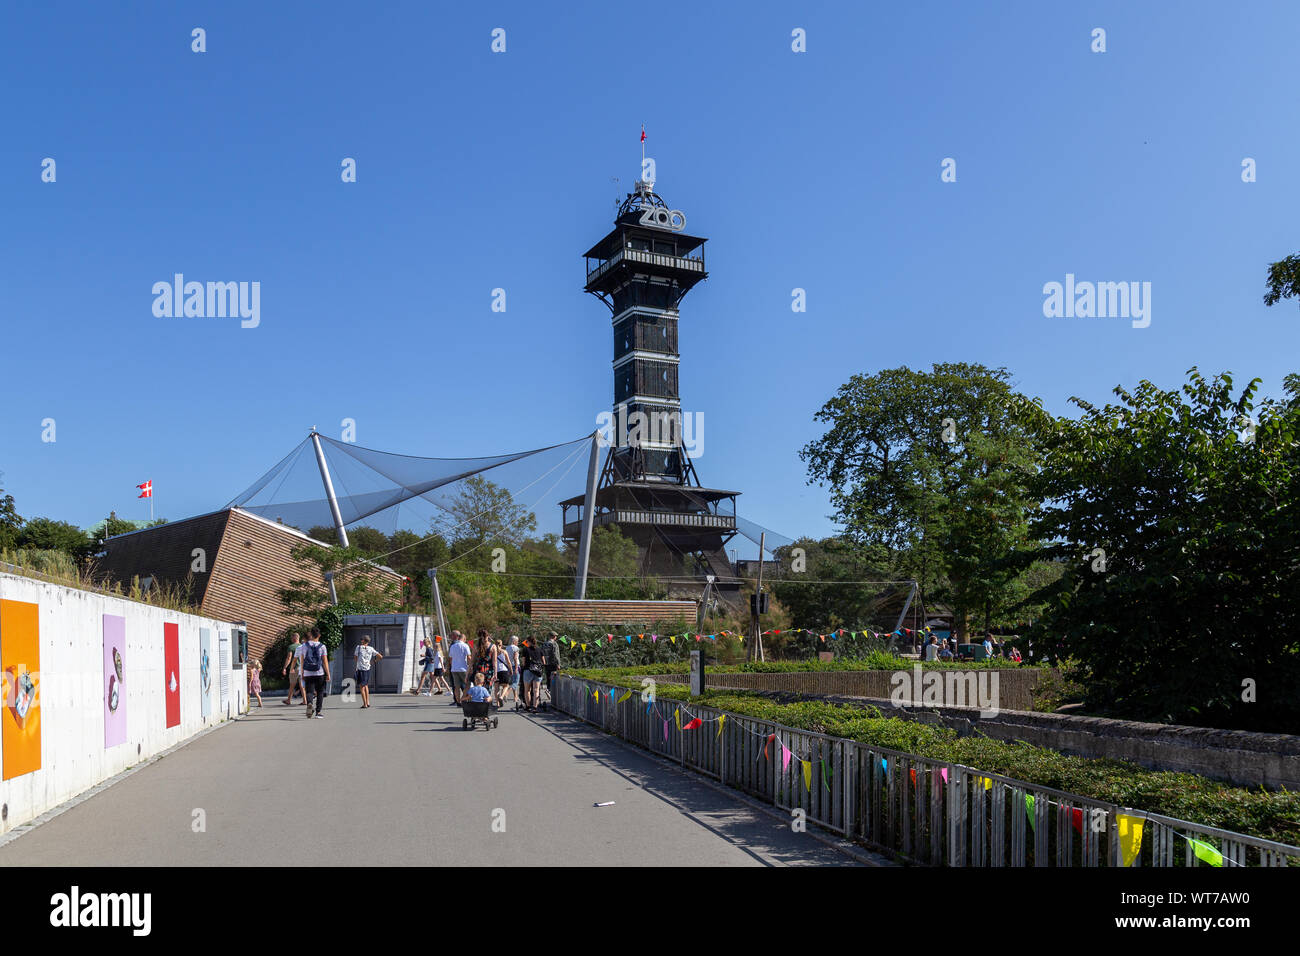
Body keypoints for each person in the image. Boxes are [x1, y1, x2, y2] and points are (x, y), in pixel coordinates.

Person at [301, 627, 331, 718]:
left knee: (309, 691)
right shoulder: (322, 646)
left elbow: (302, 659)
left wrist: (302, 672)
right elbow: (325, 661)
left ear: (311, 635)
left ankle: (309, 703)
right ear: (319, 635)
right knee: (320, 692)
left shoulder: (304, 645)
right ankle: (318, 712)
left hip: (308, 672)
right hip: (319, 673)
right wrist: (328, 674)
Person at [354, 634, 383, 709]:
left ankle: (365, 704)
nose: (361, 640)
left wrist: (357, 665)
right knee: (366, 685)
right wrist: (373, 661)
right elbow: (380, 656)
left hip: (361, 669)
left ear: (364, 640)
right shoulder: (371, 648)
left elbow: (355, 657)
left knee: (361, 687)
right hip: (367, 668)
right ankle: (368, 702)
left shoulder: (358, 647)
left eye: (362, 639)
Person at [518, 638, 543, 712]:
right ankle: (535, 707)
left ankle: (528, 706)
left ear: (529, 642)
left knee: (527, 690)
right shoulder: (540, 649)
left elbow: (523, 662)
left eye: (527, 641)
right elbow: (543, 661)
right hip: (538, 671)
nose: (526, 643)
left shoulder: (525, 649)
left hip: (528, 670)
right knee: (536, 690)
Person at [281, 631, 306, 705]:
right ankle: (305, 700)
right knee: (302, 685)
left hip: (294, 668)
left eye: (292, 637)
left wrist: (284, 667)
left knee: (292, 684)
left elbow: (289, 658)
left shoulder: (291, 647)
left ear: (294, 638)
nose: (291, 639)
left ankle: (288, 700)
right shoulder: (303, 646)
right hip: (302, 668)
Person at [447, 631, 471, 704]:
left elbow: (450, 658)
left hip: (454, 669)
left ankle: (458, 702)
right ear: (464, 639)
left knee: (456, 687)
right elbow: (469, 657)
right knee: (468, 685)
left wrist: (452, 665)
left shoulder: (453, 646)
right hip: (463, 668)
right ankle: (464, 699)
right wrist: (471, 667)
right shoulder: (465, 645)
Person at [492, 638, 513, 707]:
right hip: (504, 671)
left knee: (496, 688)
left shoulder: (493, 652)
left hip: (496, 671)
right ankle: (502, 696)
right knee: (506, 686)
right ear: (501, 645)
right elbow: (508, 662)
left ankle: (498, 703)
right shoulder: (504, 652)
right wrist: (511, 670)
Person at [542, 631, 561, 700]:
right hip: (553, 663)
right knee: (554, 678)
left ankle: (548, 689)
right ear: (553, 636)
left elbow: (542, 654)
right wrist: (558, 664)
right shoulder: (554, 644)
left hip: (546, 663)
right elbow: (555, 654)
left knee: (548, 677)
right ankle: (551, 691)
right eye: (556, 636)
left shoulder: (544, 644)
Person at [504, 636, 520, 704]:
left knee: (512, 681)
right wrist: (516, 668)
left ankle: (515, 697)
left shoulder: (507, 648)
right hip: (515, 665)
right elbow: (515, 659)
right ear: (514, 641)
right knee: (515, 682)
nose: (518, 642)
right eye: (517, 641)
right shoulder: (516, 648)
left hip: (508, 666)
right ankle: (507, 692)